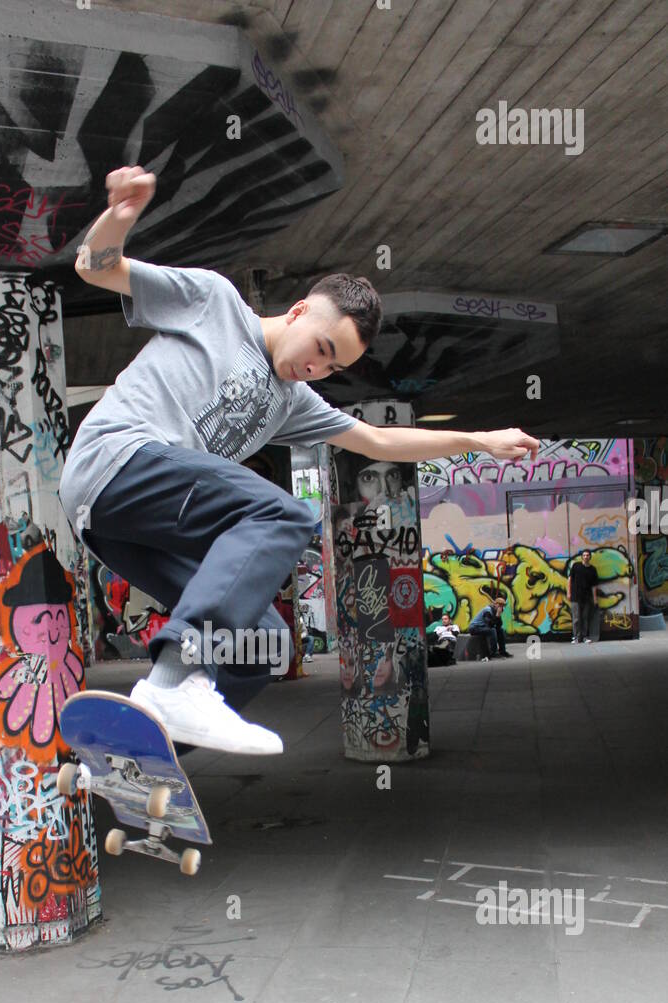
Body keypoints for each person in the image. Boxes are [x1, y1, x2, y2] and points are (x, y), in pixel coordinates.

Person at [59, 164, 539, 755]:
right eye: (320, 348)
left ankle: (141, 750)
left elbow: (378, 442)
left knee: (263, 640)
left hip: (128, 529)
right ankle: (170, 684)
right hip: (116, 461)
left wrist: (478, 441)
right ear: (297, 313)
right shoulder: (216, 304)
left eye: (332, 367)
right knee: (284, 514)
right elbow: (96, 267)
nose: (316, 368)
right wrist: (119, 218)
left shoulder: (293, 403)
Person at [567, 549, 601, 643]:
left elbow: (594, 586)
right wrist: (568, 592)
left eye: (587, 555)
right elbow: (569, 580)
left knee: (585, 618)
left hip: (586, 597)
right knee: (576, 618)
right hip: (575, 596)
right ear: (582, 557)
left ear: (590, 557)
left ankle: (585, 636)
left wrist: (595, 599)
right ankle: (576, 637)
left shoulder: (593, 569)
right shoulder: (576, 566)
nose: (586, 557)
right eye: (584, 555)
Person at [467, 596, 511, 661]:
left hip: (483, 627)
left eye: (502, 606)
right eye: (500, 606)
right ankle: (493, 652)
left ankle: (502, 651)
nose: (501, 608)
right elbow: (490, 625)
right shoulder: (487, 611)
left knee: (501, 630)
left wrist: (498, 616)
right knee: (492, 631)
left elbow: (499, 625)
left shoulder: (496, 611)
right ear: (496, 604)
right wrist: (497, 615)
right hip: (475, 628)